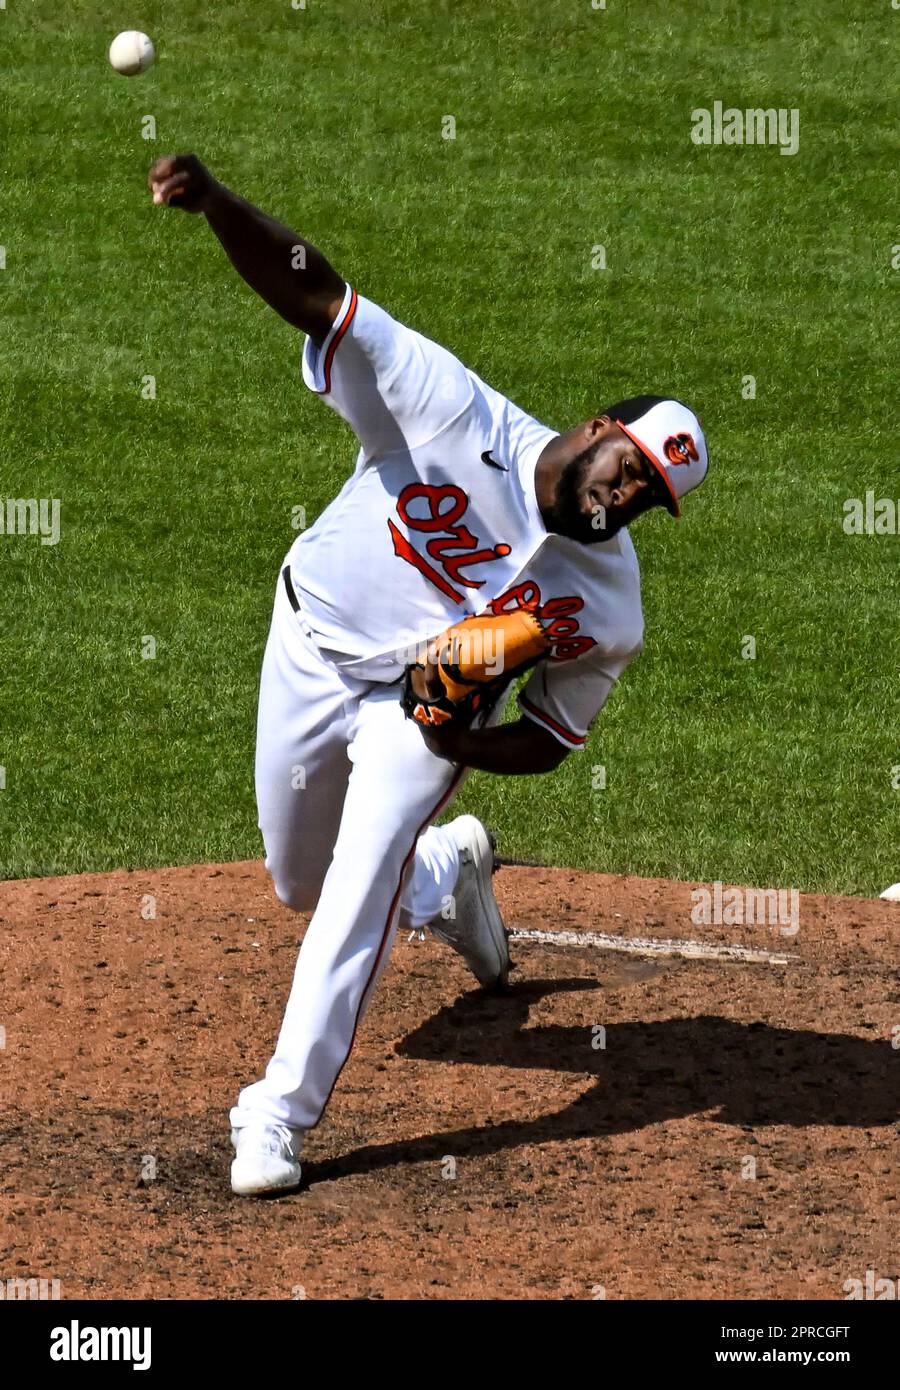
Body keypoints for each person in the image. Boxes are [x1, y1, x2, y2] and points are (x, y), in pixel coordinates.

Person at [147, 155, 710, 1196]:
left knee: (355, 890)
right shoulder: (450, 407)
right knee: (299, 881)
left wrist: (461, 742)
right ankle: (451, 877)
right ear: (593, 432)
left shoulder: (610, 606)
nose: (624, 499)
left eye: (646, 500)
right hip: (309, 644)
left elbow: (551, 734)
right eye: (627, 469)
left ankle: (275, 1114)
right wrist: (218, 202)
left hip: (420, 714)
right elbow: (317, 292)